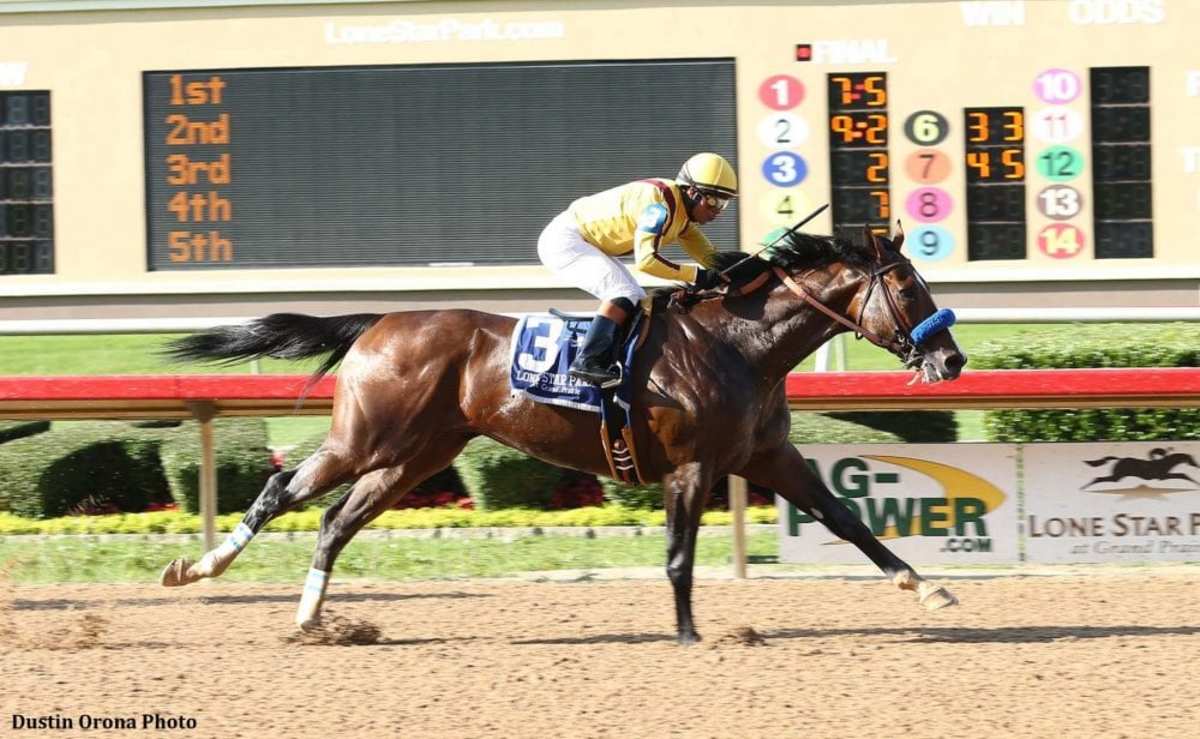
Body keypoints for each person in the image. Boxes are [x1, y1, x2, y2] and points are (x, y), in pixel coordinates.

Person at [537, 152, 738, 387]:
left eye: (723, 203)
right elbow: (646, 261)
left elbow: (709, 256)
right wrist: (696, 275)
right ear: (693, 193)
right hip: (565, 241)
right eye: (713, 201)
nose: (717, 211)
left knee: (640, 301)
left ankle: (615, 359)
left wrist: (740, 269)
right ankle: (587, 361)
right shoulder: (659, 208)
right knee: (623, 293)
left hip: (587, 243)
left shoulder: (682, 216)